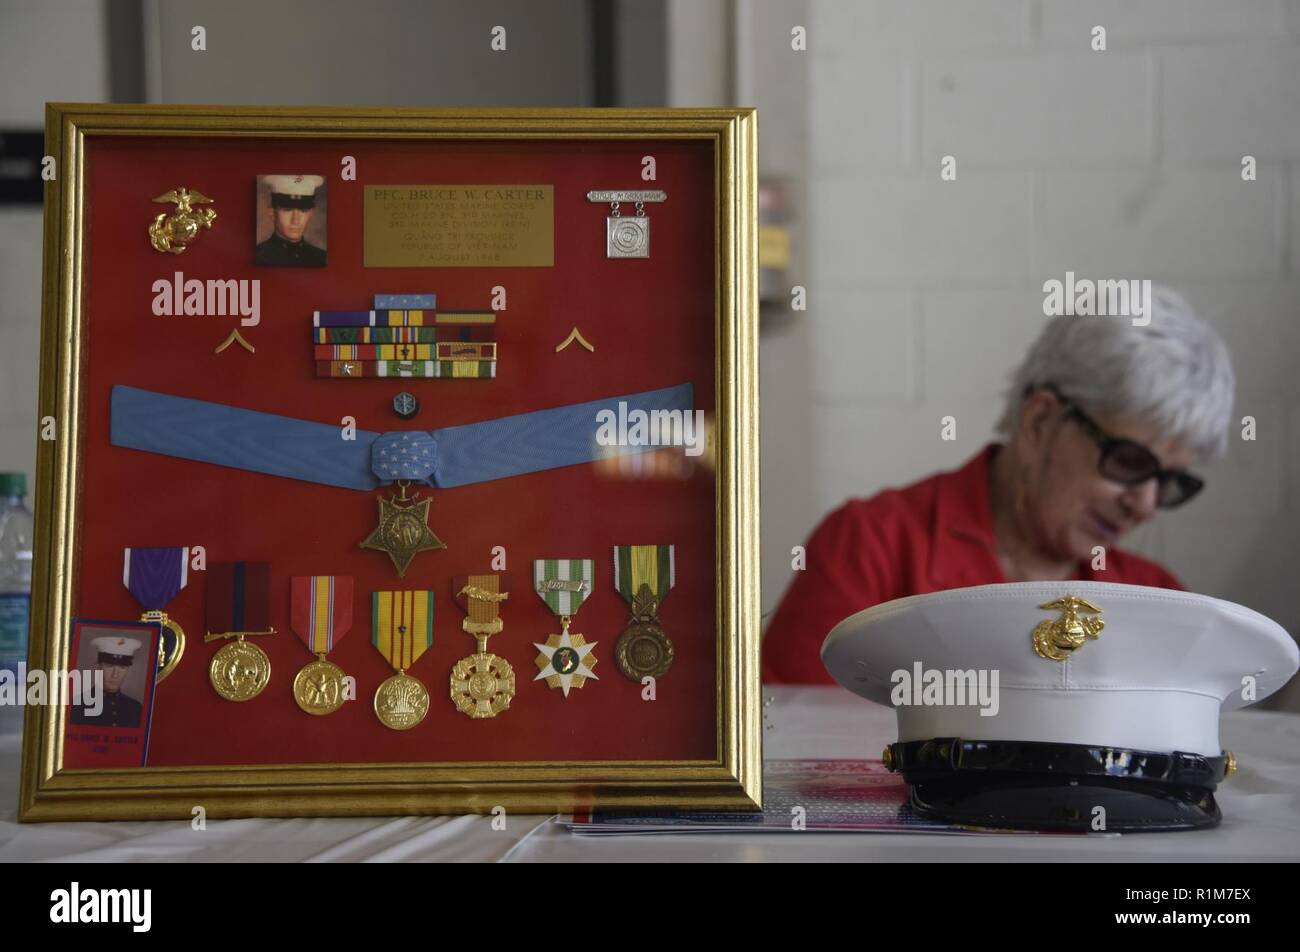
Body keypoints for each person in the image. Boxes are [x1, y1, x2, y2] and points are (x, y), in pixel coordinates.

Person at [763, 286, 1236, 684]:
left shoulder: (1158, 601)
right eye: (1129, 462)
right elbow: (795, 750)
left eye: (1170, 482)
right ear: (1039, 422)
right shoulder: (868, 551)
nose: (1145, 504)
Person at [71, 635, 144, 727]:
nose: (115, 675)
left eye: (122, 667)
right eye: (110, 666)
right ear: (98, 667)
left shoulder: (135, 708)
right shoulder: (78, 704)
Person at [255, 174, 326, 266]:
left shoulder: (321, 258)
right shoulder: (258, 257)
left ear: (311, 213)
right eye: (287, 210)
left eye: (303, 210)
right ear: (272, 212)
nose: (295, 221)